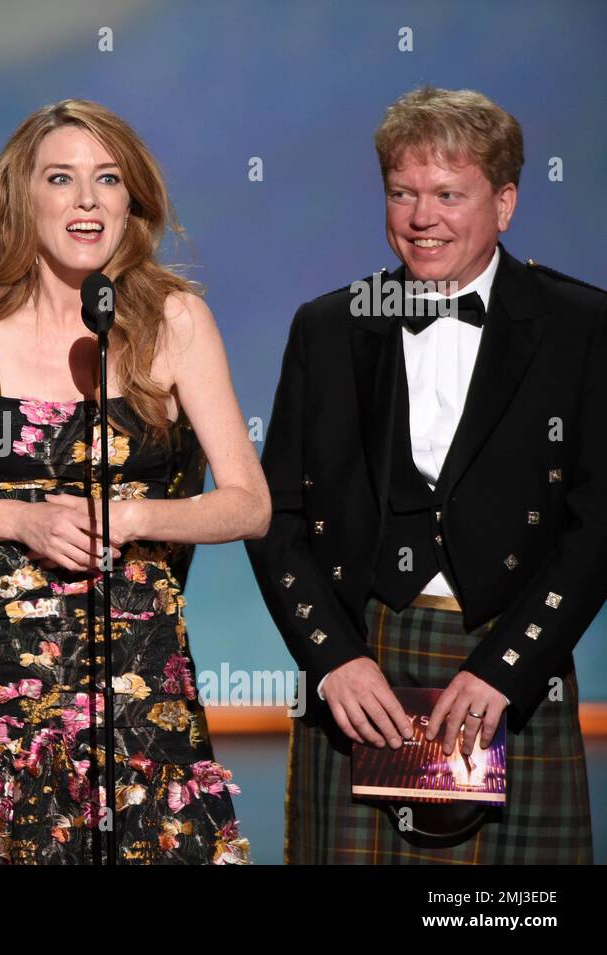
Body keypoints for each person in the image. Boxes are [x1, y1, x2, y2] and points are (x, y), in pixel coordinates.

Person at [0, 99, 269, 864]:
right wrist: (20, 519)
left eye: (107, 179)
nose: (87, 200)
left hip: (136, 673)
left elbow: (248, 502)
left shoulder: (176, 321)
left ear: (131, 199)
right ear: (22, 196)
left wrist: (132, 520)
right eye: (62, 178)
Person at [246, 86, 603, 863]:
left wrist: (509, 666)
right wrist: (331, 656)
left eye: (449, 194)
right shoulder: (330, 326)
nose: (421, 217)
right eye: (403, 193)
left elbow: (600, 520)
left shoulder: (582, 326)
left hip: (511, 660)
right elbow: (275, 517)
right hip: (359, 665)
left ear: (504, 203)